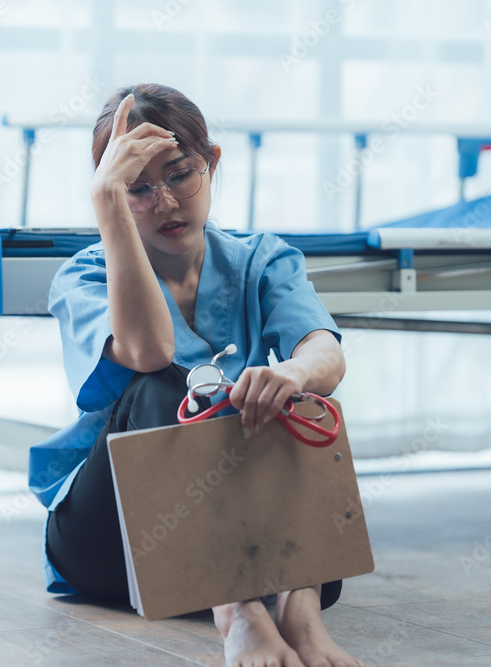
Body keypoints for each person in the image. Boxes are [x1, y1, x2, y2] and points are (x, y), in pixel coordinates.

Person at [27, 83, 359, 667]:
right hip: (117, 540)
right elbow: (150, 352)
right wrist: (107, 202)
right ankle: (234, 612)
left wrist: (294, 375)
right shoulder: (82, 277)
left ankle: (300, 617)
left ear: (212, 164)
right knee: (161, 384)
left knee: (304, 399)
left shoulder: (261, 258)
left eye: (180, 175)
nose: (164, 202)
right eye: (137, 189)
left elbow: (324, 354)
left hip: (242, 526)